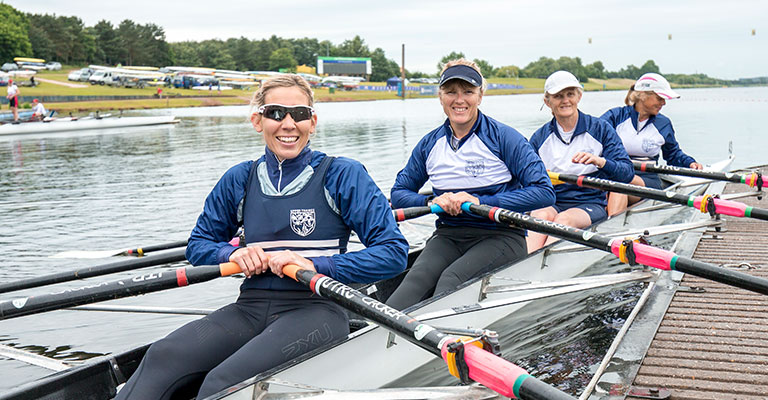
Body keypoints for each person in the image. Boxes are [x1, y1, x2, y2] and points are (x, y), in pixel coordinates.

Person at [115, 75, 409, 399]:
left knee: (221, 384)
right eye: (276, 113)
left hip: (317, 308)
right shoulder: (240, 179)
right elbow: (198, 245)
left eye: (298, 114)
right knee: (161, 356)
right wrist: (230, 255)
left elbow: (393, 253)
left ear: (312, 122)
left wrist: (314, 263)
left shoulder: (342, 174)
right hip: (250, 307)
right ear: (258, 120)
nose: (288, 124)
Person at [387, 59, 556, 311]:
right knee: (408, 289)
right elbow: (399, 194)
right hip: (449, 235)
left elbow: (544, 192)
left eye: (468, 91)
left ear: (480, 95)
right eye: (450, 91)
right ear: (440, 96)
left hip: (501, 235)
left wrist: (482, 202)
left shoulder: (505, 138)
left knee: (449, 281)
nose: (459, 99)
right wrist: (430, 202)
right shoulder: (429, 144)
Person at [527, 71, 634, 252]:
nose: (565, 100)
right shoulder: (539, 138)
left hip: (589, 202)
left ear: (579, 96)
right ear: (547, 102)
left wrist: (600, 162)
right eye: (558, 96)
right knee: (539, 215)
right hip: (553, 200)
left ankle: (541, 268)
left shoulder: (600, 129)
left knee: (563, 221)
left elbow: (627, 172)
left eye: (570, 94)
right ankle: (524, 265)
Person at [601, 73, 701, 215]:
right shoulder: (614, 117)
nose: (664, 103)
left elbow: (672, 155)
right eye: (660, 98)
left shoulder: (663, 124)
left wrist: (690, 163)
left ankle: (608, 228)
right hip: (614, 173)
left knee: (619, 183)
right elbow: (593, 142)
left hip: (646, 179)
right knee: (615, 181)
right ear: (642, 95)